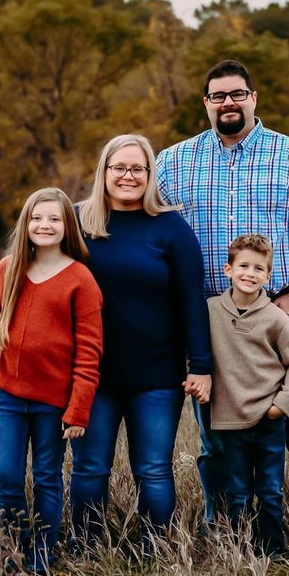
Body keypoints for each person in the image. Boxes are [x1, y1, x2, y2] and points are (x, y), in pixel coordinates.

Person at [155, 58, 289, 561]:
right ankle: (229, 539)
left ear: (253, 98)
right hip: (209, 327)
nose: (228, 103)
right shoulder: (174, 163)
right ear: (206, 104)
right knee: (219, 438)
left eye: (237, 94)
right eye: (218, 96)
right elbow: (152, 233)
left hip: (277, 321)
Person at [69, 134, 213, 552]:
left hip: (157, 375)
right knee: (89, 468)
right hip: (91, 374)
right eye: (120, 168)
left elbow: (192, 299)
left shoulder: (171, 227)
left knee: (153, 469)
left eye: (138, 169)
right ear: (104, 172)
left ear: (150, 175)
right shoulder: (78, 223)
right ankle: (85, 550)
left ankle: (157, 552)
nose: (128, 176)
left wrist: (199, 364)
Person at [0, 187, 102, 573]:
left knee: (47, 478)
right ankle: (15, 550)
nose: (44, 225)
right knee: (7, 477)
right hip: (9, 397)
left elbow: (90, 350)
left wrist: (78, 409)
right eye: (37, 218)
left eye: (54, 219)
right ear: (26, 223)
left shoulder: (80, 279)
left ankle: (41, 557)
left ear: (68, 226)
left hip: (53, 402)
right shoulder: (8, 269)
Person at [206, 234, 289, 556]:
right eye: (243, 266)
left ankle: (273, 551)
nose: (250, 273)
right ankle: (239, 551)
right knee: (237, 492)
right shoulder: (210, 312)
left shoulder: (276, 318)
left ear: (268, 276)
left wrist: (281, 406)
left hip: (268, 420)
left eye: (258, 268)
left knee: (270, 490)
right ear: (227, 269)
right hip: (230, 420)